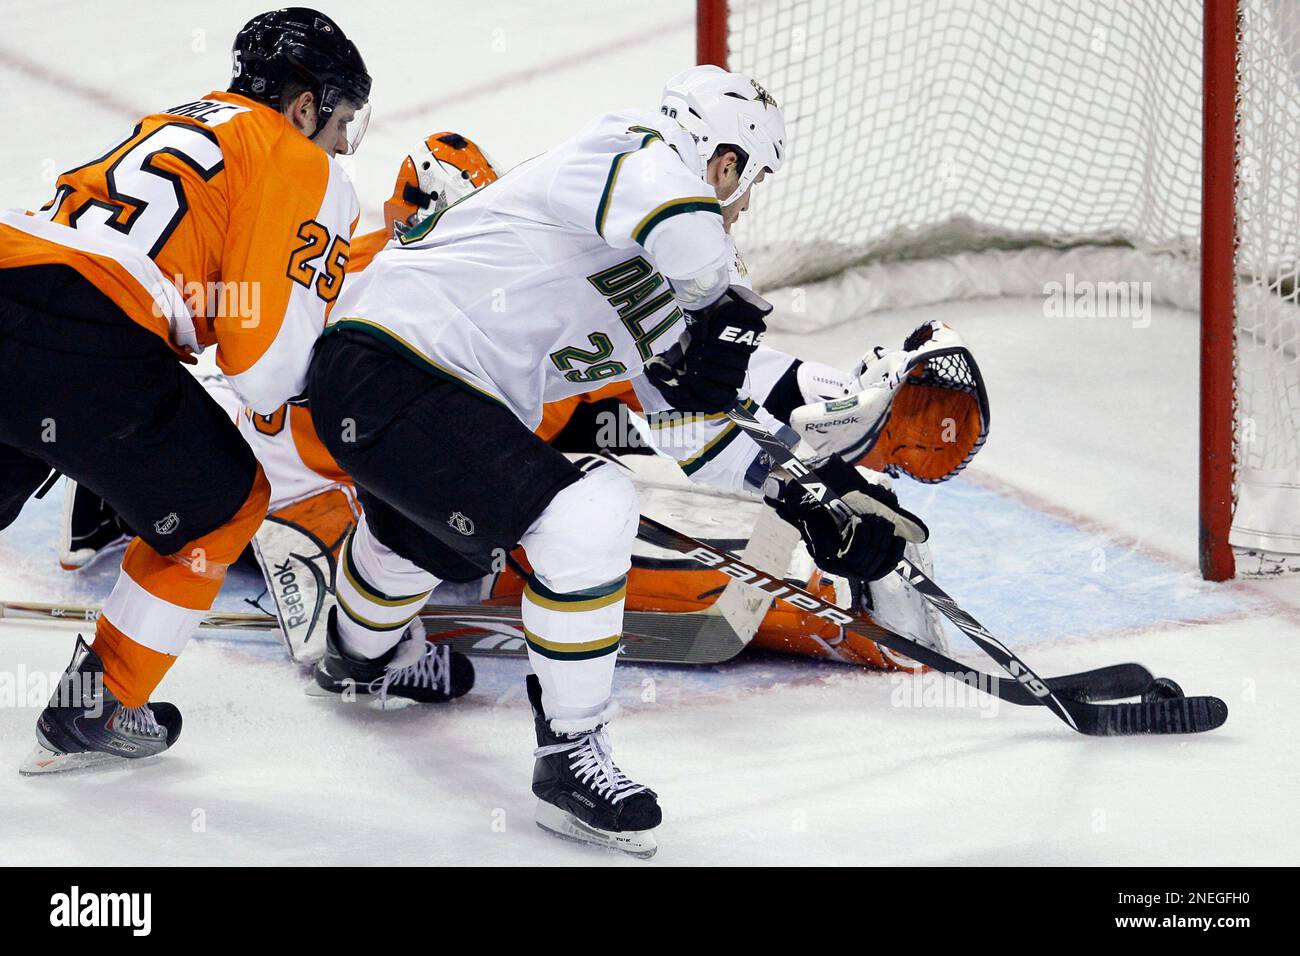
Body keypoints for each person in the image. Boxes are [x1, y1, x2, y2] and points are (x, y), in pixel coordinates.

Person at [303, 64, 928, 857]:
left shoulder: (655, 267)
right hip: (389, 366)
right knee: (589, 506)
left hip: (418, 404)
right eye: (749, 180)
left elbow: (693, 415)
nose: (747, 204)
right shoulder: (626, 150)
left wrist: (806, 497)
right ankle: (571, 756)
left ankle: (356, 658)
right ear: (723, 161)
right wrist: (720, 309)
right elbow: (696, 253)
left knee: (424, 538)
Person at [0, 8, 370, 774]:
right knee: (225, 504)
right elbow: (263, 364)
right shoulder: (297, 158)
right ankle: (96, 705)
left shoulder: (183, 119)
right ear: (305, 105)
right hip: (86, 333)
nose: (341, 142)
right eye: (340, 120)